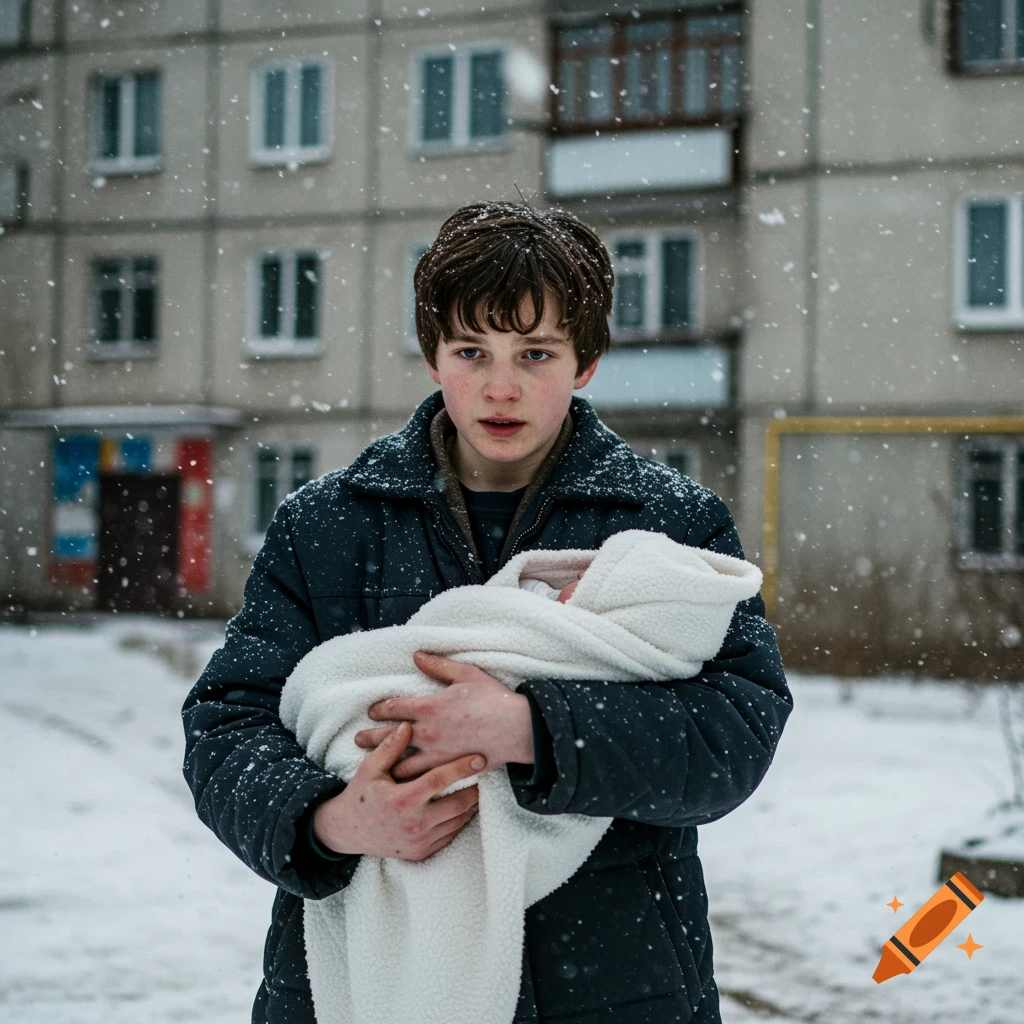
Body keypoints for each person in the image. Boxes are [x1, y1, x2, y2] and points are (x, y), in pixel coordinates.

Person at [181, 200, 793, 1024]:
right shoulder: (327, 526)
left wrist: (528, 730)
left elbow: (735, 732)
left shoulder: (671, 526)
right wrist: (331, 820)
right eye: (473, 351)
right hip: (363, 979)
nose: (501, 386)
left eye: (535, 353)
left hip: (611, 988)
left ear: (586, 363)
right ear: (433, 355)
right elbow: (226, 726)